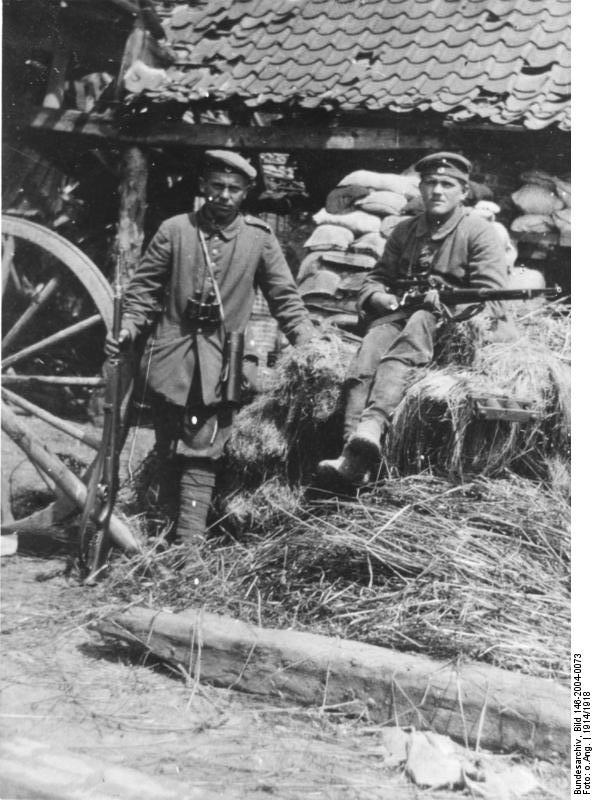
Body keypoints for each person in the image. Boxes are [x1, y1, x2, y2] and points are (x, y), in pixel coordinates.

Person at [112, 150, 315, 545]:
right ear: (203, 186)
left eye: (234, 189)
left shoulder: (258, 239)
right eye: (217, 186)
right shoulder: (175, 230)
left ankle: (189, 547)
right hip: (170, 358)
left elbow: (285, 299)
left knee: (204, 449)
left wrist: (308, 343)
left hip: (222, 362)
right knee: (169, 446)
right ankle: (162, 532)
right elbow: (142, 292)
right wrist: (128, 328)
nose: (224, 195)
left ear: (245, 194)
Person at [318, 152, 508, 486]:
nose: (437, 190)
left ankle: (372, 427)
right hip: (400, 314)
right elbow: (377, 278)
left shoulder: (478, 232)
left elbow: (490, 298)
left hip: (449, 326)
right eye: (431, 183)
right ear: (420, 188)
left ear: (463, 192)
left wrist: (446, 307)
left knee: (420, 321)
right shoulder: (404, 231)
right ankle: (352, 450)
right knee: (368, 352)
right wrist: (378, 296)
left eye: (447, 184)